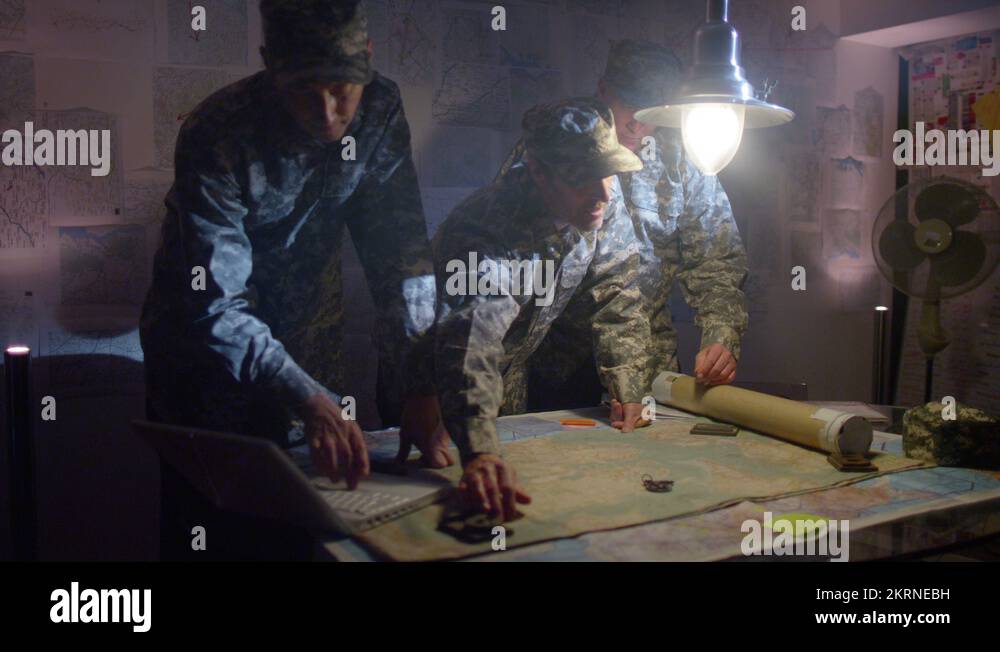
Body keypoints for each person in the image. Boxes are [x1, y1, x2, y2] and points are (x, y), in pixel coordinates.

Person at [139, 0, 448, 559]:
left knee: (311, 533)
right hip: (206, 360)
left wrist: (418, 386)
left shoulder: (379, 109)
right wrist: (309, 396)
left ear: (368, 60)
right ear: (268, 63)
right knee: (215, 532)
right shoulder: (218, 130)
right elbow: (214, 302)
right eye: (305, 91)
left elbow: (400, 258)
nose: (330, 115)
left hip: (309, 331)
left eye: (343, 90)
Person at [497, 40, 750, 415]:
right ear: (603, 90)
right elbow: (504, 268)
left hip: (645, 363)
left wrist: (721, 335)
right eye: (629, 104)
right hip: (550, 362)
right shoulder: (556, 147)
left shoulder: (686, 154)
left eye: (652, 112)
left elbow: (716, 260)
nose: (638, 123)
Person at [433, 98, 653, 521]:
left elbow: (616, 287)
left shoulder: (601, 198)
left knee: (524, 503)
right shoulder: (484, 228)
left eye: (608, 173)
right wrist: (478, 447)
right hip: (436, 386)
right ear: (537, 172)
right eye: (582, 179)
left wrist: (625, 380)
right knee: (446, 506)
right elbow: (471, 342)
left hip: (508, 376)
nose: (603, 192)